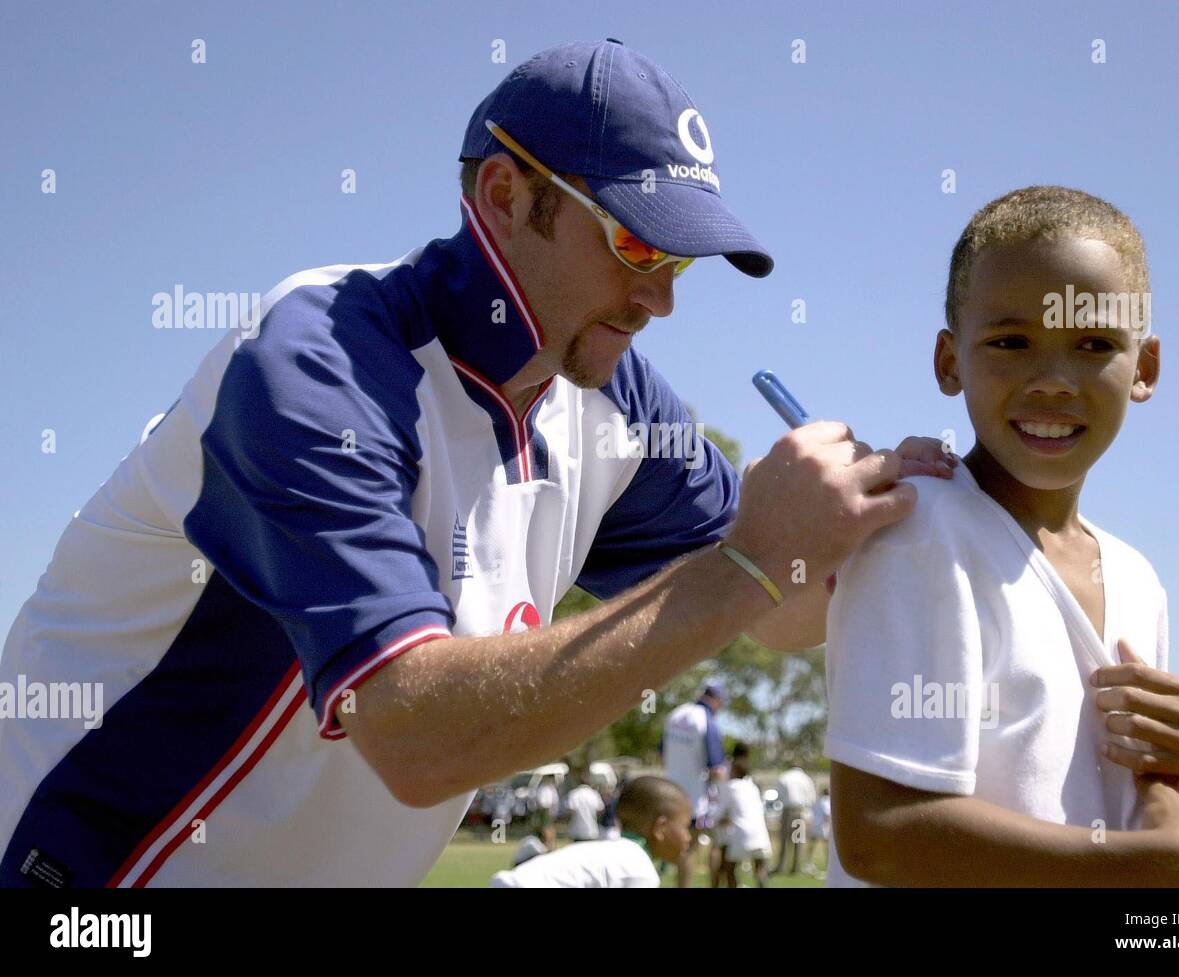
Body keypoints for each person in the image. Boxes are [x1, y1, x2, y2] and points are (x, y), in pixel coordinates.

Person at [0, 38, 950, 887]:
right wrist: (743, 562)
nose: (659, 298)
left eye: (681, 261)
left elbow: (784, 606)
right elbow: (416, 737)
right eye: (633, 241)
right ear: (503, 196)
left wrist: (900, 524)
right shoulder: (317, 359)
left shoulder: (616, 395)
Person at [825, 186, 1179, 887]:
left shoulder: (1140, 579)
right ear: (949, 360)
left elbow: (1162, 792)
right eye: (1011, 341)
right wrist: (1155, 864)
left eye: (1093, 344)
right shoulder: (921, 527)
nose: (1052, 380)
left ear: (1144, 368)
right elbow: (881, 831)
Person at [489, 776, 690, 887]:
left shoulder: (614, 853)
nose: (689, 837)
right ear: (660, 828)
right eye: (685, 827)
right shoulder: (638, 870)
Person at [662, 682, 729, 887]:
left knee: (674, 848)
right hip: (695, 798)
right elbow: (717, 768)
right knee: (693, 848)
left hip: (670, 791)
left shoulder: (675, 714)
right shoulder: (706, 720)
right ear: (715, 700)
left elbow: (661, 752)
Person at [717, 743, 771, 888]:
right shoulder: (753, 787)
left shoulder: (730, 787)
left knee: (729, 869)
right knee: (760, 867)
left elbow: (719, 812)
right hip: (760, 833)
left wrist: (714, 821)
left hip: (741, 834)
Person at [775, 765, 817, 873]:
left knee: (784, 839)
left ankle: (781, 866)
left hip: (787, 810)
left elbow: (779, 795)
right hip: (800, 811)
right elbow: (812, 798)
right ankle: (795, 867)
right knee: (798, 840)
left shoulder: (784, 776)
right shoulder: (806, 779)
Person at [564, 776, 605, 842]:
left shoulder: (573, 794)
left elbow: (571, 810)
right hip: (592, 829)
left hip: (577, 830)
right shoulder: (594, 794)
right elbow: (600, 809)